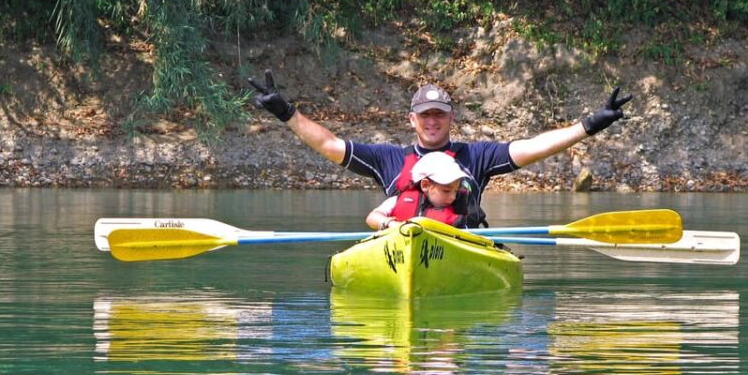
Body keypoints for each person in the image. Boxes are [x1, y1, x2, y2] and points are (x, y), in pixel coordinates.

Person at [248, 70, 632, 227]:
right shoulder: (389, 159)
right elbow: (331, 144)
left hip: (462, 244)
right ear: (411, 120)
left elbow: (533, 147)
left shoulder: (476, 157)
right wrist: (287, 113)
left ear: (451, 119)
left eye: (440, 115)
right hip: (400, 243)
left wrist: (589, 125)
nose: (432, 121)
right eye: (425, 115)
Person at [366, 151, 472, 230]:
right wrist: (389, 224)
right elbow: (372, 217)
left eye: (455, 191)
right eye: (446, 191)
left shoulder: (457, 211)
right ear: (425, 185)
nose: (453, 197)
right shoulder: (398, 200)